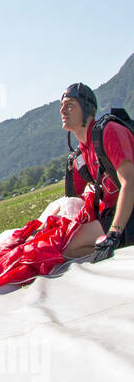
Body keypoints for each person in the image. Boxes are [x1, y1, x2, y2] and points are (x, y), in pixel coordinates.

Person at [60, 82, 134, 260]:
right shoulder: (79, 158)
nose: (63, 111)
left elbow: (130, 182)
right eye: (61, 106)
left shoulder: (110, 132)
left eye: (69, 105)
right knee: (66, 246)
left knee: (71, 245)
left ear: (86, 109)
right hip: (113, 213)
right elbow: (72, 201)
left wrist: (113, 234)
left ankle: (119, 242)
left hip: (129, 211)